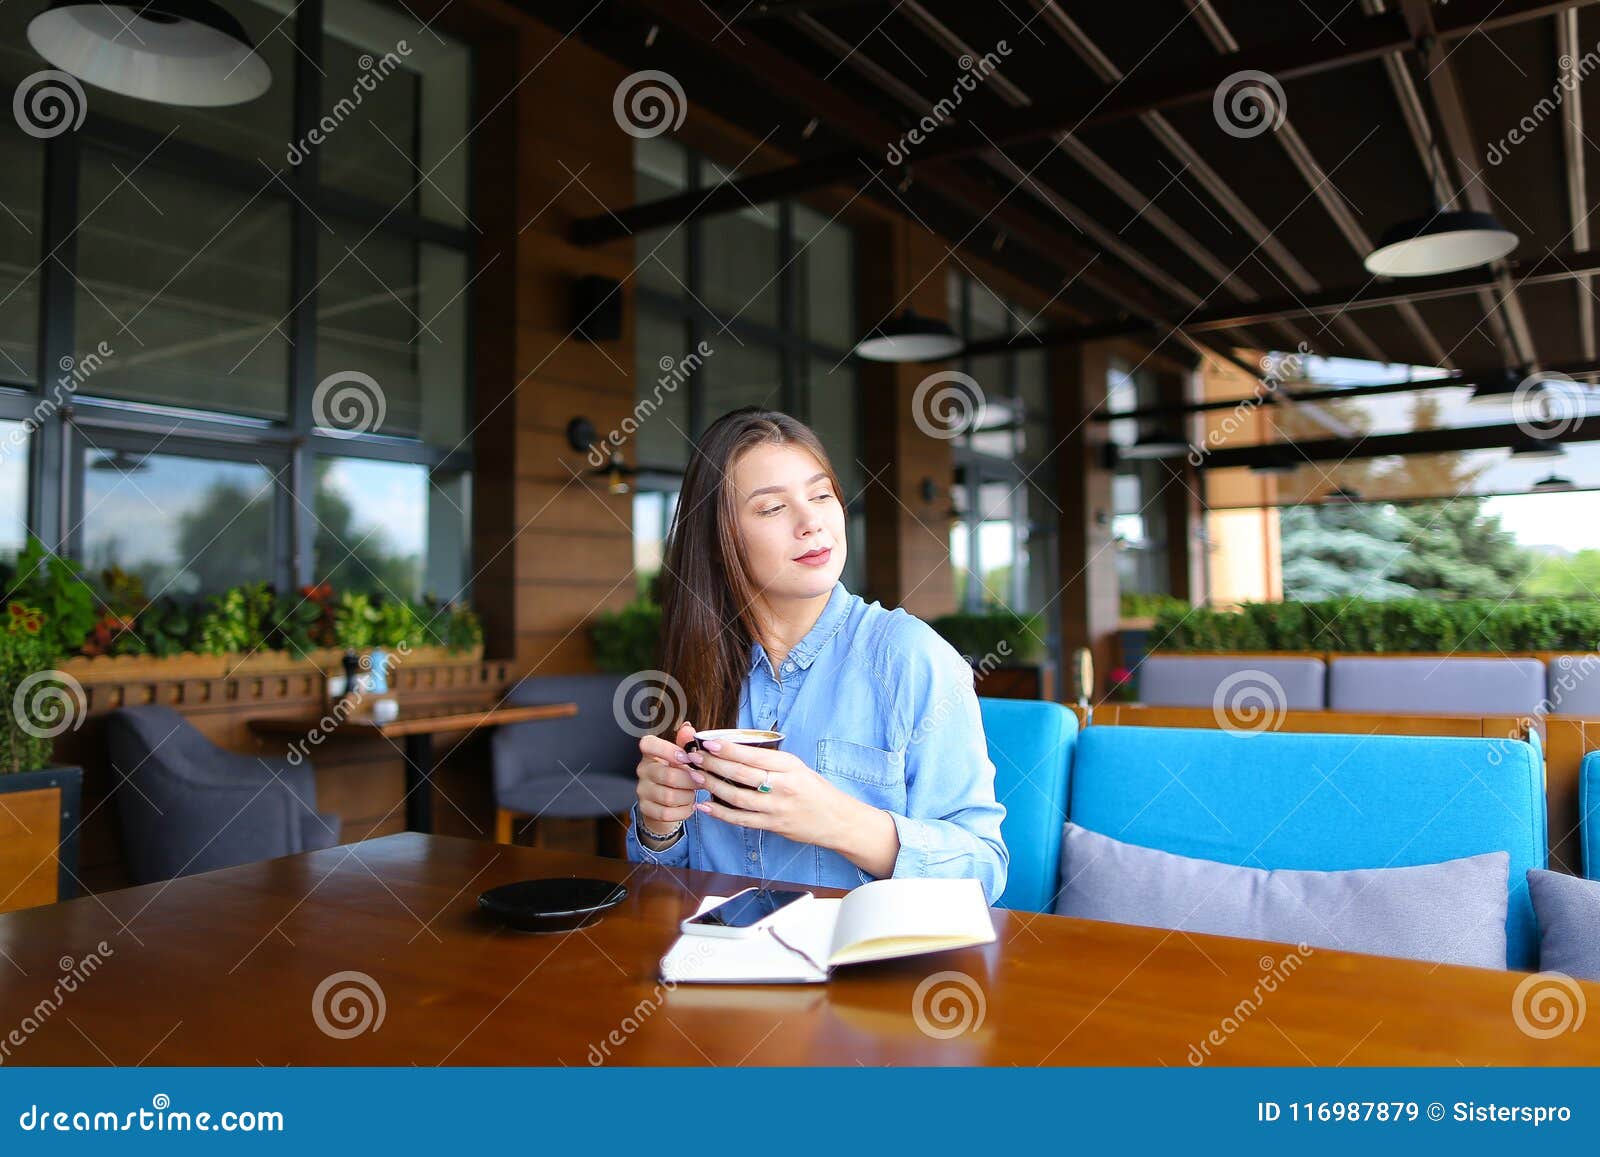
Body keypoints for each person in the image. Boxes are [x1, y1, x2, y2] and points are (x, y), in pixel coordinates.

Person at [626, 407, 1008, 904]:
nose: (811, 522)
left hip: (864, 970)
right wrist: (659, 826)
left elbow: (986, 870)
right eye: (771, 508)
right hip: (717, 962)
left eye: (821, 494)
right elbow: (663, 889)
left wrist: (841, 823)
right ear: (719, 542)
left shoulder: (912, 657)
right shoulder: (698, 665)